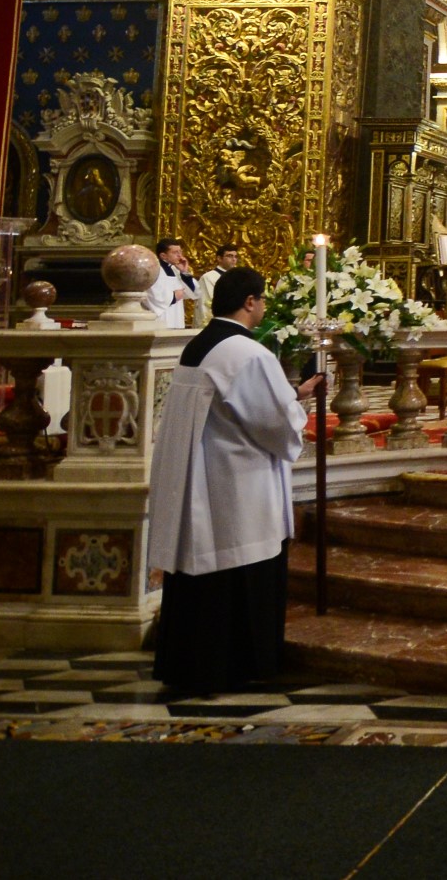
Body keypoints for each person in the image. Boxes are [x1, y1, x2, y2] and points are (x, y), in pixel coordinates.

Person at [146, 267, 323, 693]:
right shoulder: (248, 353)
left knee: (203, 576)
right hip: (239, 484)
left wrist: (293, 393)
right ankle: (239, 663)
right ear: (249, 302)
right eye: (261, 300)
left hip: (203, 478)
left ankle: (190, 663)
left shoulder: (200, 345)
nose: (263, 307)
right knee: (240, 570)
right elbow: (273, 422)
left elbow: (238, 403)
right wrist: (297, 411)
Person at [147, 238, 196, 329]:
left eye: (180, 252)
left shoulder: (175, 269)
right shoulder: (154, 269)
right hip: (162, 315)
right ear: (163, 255)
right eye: (175, 252)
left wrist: (184, 272)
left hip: (176, 314)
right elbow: (152, 294)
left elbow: (194, 293)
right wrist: (173, 297)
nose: (180, 255)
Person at [194, 244, 239, 326]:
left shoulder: (237, 277)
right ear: (219, 258)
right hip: (216, 323)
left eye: (235, 257)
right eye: (229, 256)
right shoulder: (209, 277)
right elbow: (206, 304)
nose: (233, 259)